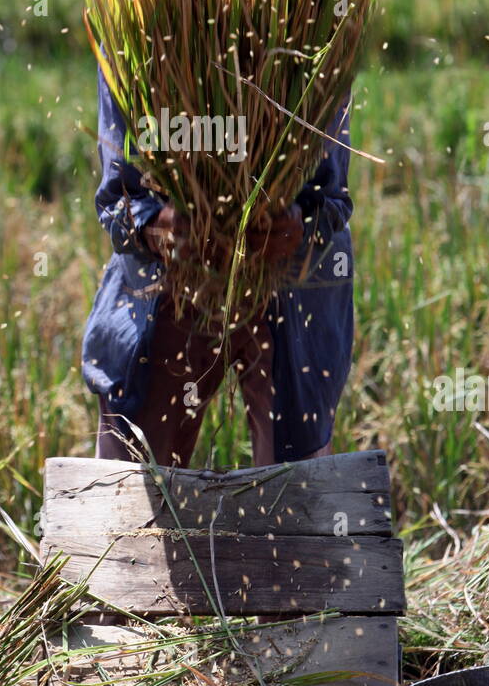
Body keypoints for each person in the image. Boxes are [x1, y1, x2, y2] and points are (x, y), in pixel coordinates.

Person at [81, 62, 354, 468]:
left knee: (294, 502)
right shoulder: (139, 9)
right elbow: (120, 197)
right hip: (166, 286)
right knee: (129, 493)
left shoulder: (315, 9)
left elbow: (330, 197)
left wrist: (298, 226)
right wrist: (160, 228)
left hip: (290, 287)